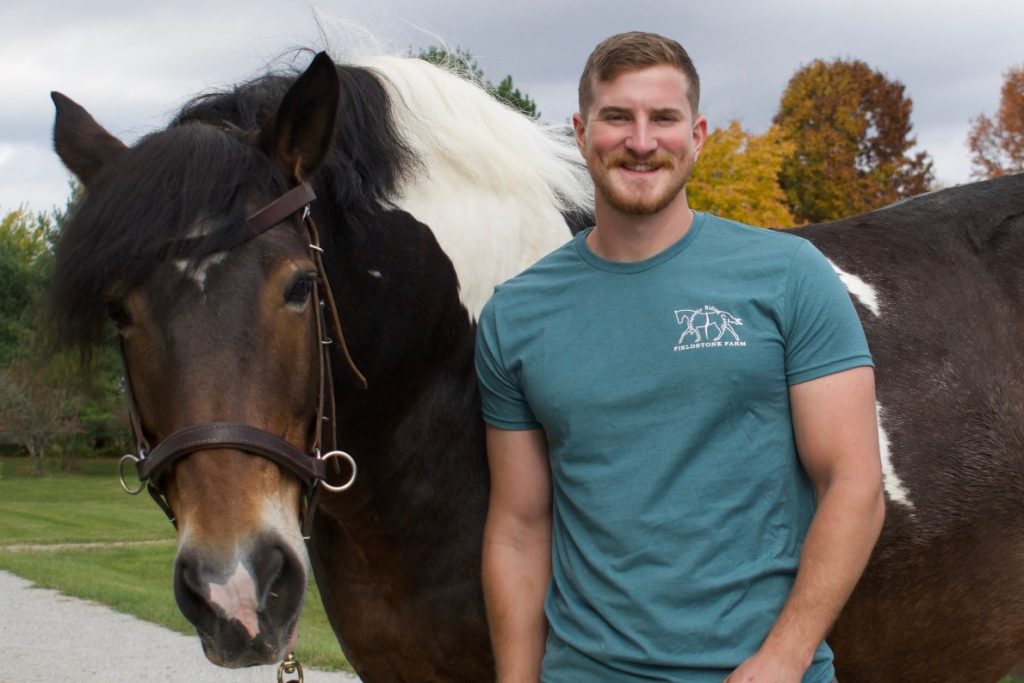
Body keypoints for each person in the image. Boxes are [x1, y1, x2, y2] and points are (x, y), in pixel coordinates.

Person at [475, 31, 885, 683]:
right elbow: (520, 527)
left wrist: (784, 656)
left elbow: (854, 484)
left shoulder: (790, 277)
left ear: (697, 134)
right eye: (617, 117)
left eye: (663, 118)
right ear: (581, 133)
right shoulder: (515, 316)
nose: (641, 141)